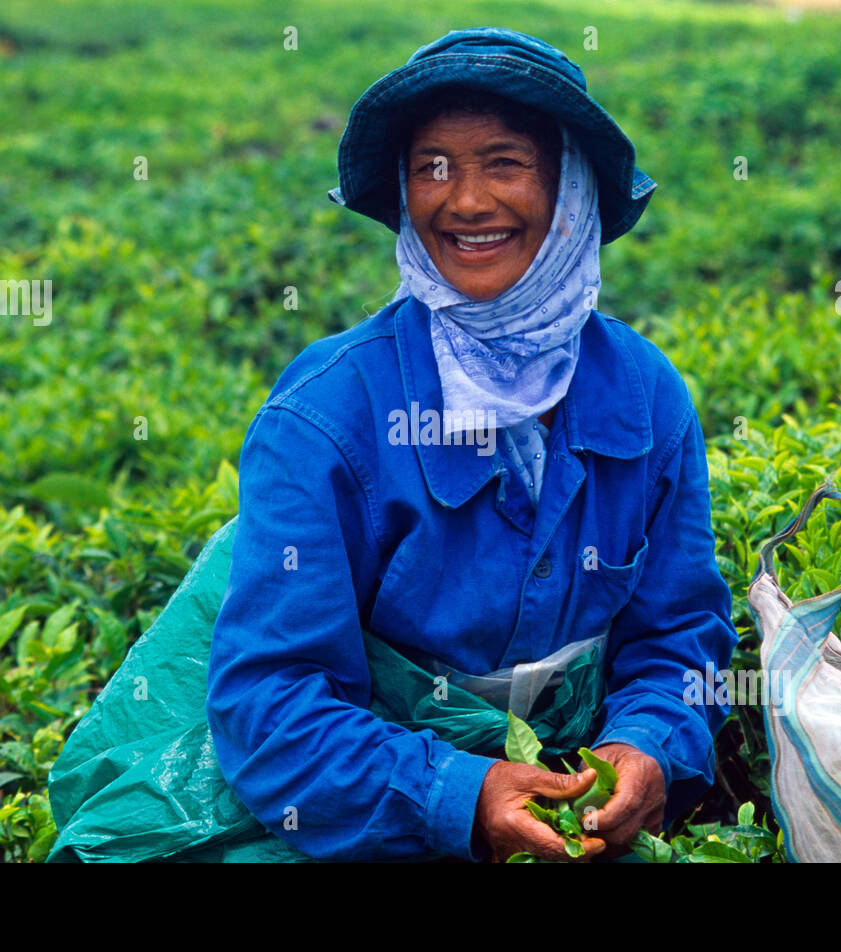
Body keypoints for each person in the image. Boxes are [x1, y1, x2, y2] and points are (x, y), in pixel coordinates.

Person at [206, 27, 737, 863]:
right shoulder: (326, 415)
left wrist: (647, 746)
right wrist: (460, 795)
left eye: (505, 162)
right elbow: (270, 700)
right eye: (432, 168)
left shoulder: (644, 391)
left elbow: (681, 632)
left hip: (574, 801)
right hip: (362, 807)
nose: (466, 202)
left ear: (572, 190)